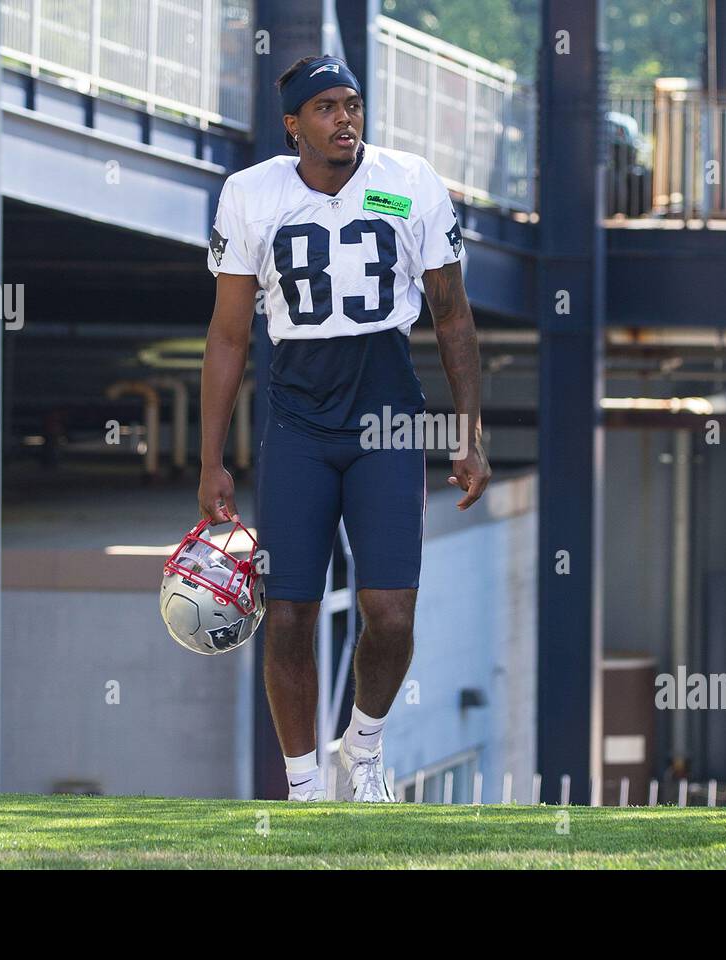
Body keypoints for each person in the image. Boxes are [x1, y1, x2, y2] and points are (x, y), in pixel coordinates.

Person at [197, 55, 491, 801]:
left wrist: (469, 432)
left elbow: (451, 316)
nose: (345, 120)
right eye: (325, 108)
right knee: (289, 611)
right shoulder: (249, 194)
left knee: (390, 611)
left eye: (353, 104)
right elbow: (229, 335)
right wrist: (211, 461)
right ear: (293, 125)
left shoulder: (411, 180)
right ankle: (301, 784)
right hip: (296, 420)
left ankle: (361, 751)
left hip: (387, 417)